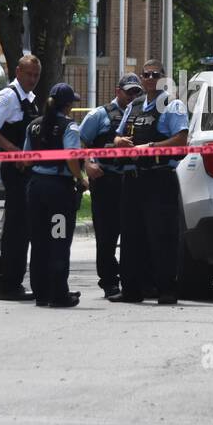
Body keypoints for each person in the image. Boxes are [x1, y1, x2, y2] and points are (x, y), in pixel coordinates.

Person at [112, 60, 188, 305]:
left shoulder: (172, 105)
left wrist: (152, 147)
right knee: (131, 236)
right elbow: (118, 135)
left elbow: (181, 140)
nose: (150, 78)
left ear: (163, 77)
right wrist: (119, 142)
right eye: (146, 75)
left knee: (162, 235)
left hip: (159, 178)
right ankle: (131, 289)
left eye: (155, 74)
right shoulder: (134, 105)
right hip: (133, 179)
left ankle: (166, 290)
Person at [0, 54, 41, 301]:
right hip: (15, 172)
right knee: (15, 229)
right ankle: (9, 285)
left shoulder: (29, 99)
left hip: (28, 172)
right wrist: (13, 150)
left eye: (36, 75)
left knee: (23, 229)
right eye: (29, 74)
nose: (32, 79)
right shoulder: (8, 96)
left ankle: (15, 282)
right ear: (17, 72)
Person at [23, 83, 89, 308]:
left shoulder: (33, 125)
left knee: (39, 241)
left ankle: (41, 293)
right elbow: (71, 158)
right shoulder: (69, 127)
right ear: (68, 105)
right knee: (58, 240)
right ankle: (59, 294)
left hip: (36, 189)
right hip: (58, 192)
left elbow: (26, 160)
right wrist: (80, 178)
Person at [79, 73, 143, 297]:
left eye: (137, 92)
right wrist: (87, 164)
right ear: (118, 91)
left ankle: (132, 281)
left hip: (132, 180)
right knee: (107, 235)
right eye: (129, 92)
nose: (133, 96)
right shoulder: (100, 115)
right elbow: (80, 142)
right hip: (106, 180)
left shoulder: (141, 115)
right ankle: (109, 281)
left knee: (132, 234)